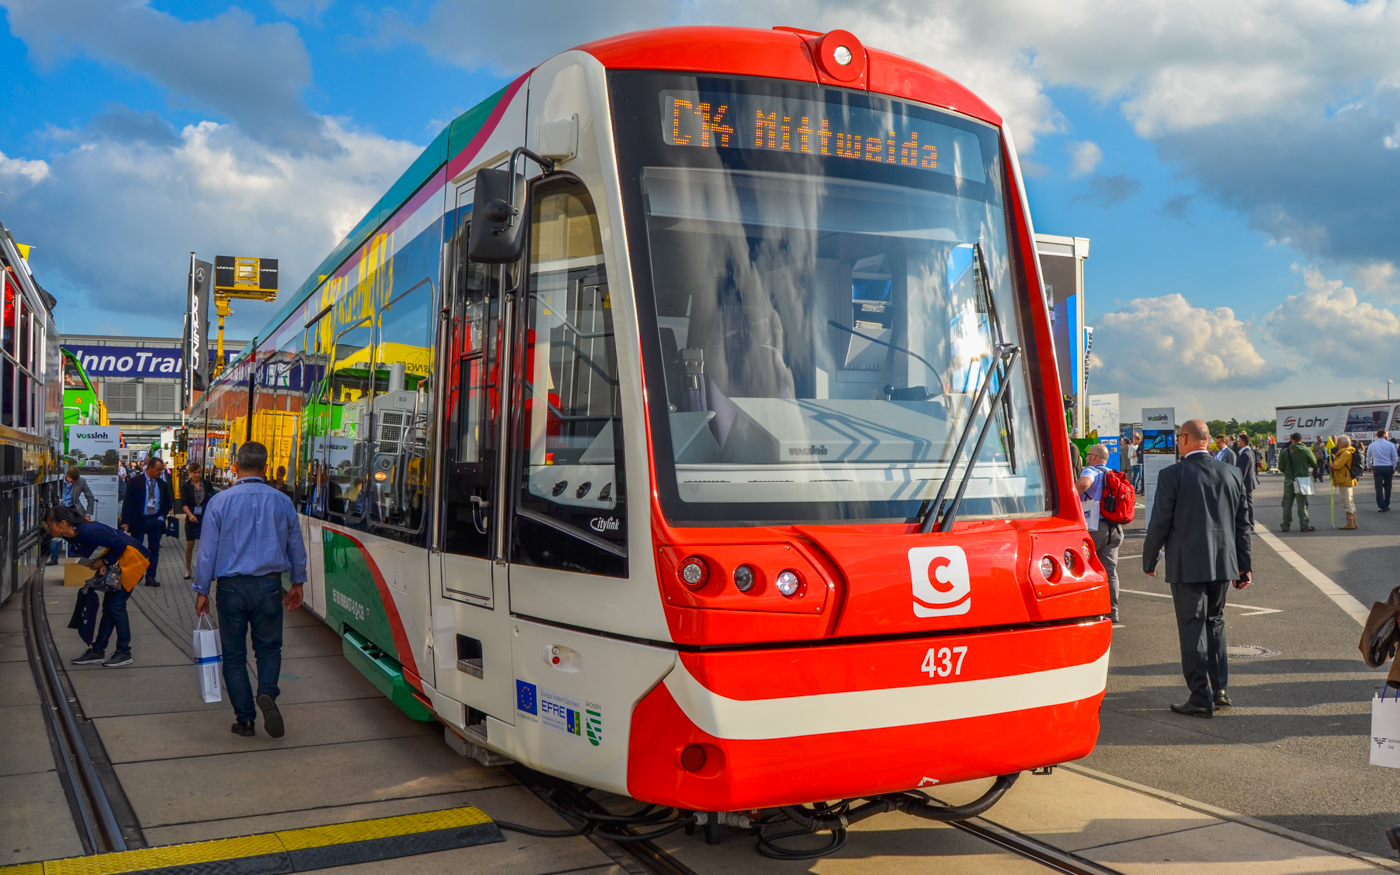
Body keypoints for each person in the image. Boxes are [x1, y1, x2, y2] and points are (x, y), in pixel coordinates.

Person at [193, 442, 308, 739]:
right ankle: (266, 692)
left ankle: (244, 720)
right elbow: (296, 546)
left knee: (233, 656)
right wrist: (297, 582)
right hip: (269, 586)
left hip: (230, 588)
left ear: (235, 466)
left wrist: (202, 589)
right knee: (269, 648)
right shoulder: (282, 502)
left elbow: (207, 551)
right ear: (266, 467)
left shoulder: (220, 502)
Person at [1143, 419, 1252, 718]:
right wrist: (1244, 566)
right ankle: (1220, 690)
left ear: (1186, 439)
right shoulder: (1231, 473)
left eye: (1179, 437)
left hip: (1187, 563)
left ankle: (1199, 696)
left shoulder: (1173, 475)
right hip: (1224, 563)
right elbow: (1243, 524)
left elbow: (1160, 521)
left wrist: (1149, 559)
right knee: (1215, 622)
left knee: (1192, 627)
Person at [45, 505, 149, 667]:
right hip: (117, 564)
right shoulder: (72, 536)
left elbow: (120, 543)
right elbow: (102, 548)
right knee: (110, 606)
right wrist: (102, 563)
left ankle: (124, 651)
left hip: (131, 562)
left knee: (115, 606)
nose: (48, 527)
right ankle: (98, 650)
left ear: (63, 523)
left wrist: (104, 562)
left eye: (50, 524)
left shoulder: (88, 531)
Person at [1077, 444, 1123, 624]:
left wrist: (1069, 493)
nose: (1086, 457)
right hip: (1115, 528)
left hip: (1095, 526)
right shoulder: (1113, 473)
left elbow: (1083, 484)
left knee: (1084, 567)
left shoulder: (1091, 471)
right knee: (1110, 570)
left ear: (1094, 457)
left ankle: (1088, 609)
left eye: (1088, 455)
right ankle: (1113, 611)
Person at [120, 457, 173, 586]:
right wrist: (125, 521)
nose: (160, 472)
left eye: (162, 470)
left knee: (154, 549)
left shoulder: (162, 485)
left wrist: (161, 517)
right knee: (137, 549)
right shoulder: (135, 482)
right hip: (139, 520)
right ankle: (137, 574)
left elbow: (167, 503)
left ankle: (151, 577)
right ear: (150, 468)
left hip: (155, 520)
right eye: (158, 469)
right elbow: (128, 502)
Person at [48, 466, 96, 565]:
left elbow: (90, 497)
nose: (74, 482)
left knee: (72, 531)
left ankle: (71, 555)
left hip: (72, 508)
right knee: (55, 531)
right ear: (67, 476)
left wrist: (88, 513)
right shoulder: (58, 480)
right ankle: (54, 558)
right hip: (58, 508)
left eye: (75, 481)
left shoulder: (81, 481)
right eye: (72, 480)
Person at [181, 462, 217, 579]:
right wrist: (190, 515)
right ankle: (188, 569)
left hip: (205, 516)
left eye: (199, 472)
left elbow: (212, 498)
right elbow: (184, 504)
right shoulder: (186, 486)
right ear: (190, 473)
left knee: (206, 544)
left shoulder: (206, 484)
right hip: (192, 517)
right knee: (190, 544)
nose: (197, 475)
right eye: (195, 473)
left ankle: (206, 569)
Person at [1278, 432, 1317, 532]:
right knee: (1302, 504)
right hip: (1302, 480)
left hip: (1289, 480)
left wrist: (1288, 472)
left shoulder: (1285, 452)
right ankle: (1304, 525)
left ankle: (1286, 525)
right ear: (1301, 440)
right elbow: (1315, 464)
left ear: (1291, 439)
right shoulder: (1306, 451)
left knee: (1287, 503)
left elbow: (1281, 467)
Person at [1332, 435, 1360, 530]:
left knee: (1346, 501)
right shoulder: (1349, 451)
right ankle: (1353, 521)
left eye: (1339, 442)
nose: (1338, 444)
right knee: (1350, 501)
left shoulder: (1346, 453)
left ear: (1344, 443)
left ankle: (1351, 523)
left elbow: (1338, 465)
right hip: (1348, 478)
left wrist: (1333, 464)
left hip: (1344, 479)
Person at [1367, 429, 1397, 512]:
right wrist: (1393, 467)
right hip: (1388, 466)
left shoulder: (1372, 445)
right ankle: (1386, 503)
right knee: (1388, 487)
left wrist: (1369, 466)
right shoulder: (1390, 445)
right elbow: (1394, 457)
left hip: (1377, 466)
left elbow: (1369, 457)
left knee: (1378, 487)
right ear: (1384, 435)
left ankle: (1381, 505)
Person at [1233, 434, 1259, 527]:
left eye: (1239, 441)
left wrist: (1238, 483)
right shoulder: (1249, 452)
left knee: (1248, 503)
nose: (1237, 442)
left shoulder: (1245, 454)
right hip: (1248, 482)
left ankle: (1251, 523)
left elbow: (1242, 471)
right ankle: (1249, 522)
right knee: (1248, 502)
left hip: (1246, 483)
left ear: (1243, 442)